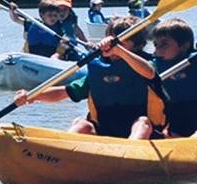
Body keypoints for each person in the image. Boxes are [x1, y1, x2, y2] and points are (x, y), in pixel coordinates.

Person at [12, 15, 162, 138]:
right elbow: (64, 92)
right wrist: (32, 96)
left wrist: (119, 50)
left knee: (142, 123)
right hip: (104, 130)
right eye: (112, 41)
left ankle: (130, 156)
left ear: (137, 45)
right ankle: (62, 153)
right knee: (81, 124)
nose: (114, 47)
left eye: (121, 42)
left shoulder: (146, 64)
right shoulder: (99, 68)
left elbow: (149, 73)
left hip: (142, 133)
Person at [22, 0, 88, 60]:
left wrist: (86, 43)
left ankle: (57, 56)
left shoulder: (69, 23)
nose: (62, 12)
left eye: (65, 9)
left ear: (69, 10)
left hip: (66, 52)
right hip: (38, 52)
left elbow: (77, 32)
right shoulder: (38, 23)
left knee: (65, 44)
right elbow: (19, 19)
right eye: (60, 9)